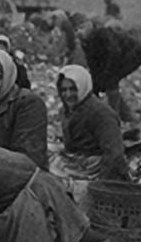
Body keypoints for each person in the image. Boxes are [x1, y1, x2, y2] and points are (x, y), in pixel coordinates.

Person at [50, 65, 128, 208]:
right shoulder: (66, 111)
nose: (68, 95)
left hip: (96, 169)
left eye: (73, 89)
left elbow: (114, 154)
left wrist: (101, 185)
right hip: (76, 163)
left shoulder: (101, 114)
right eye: (64, 90)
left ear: (83, 87)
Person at [81, 24, 141, 133]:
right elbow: (93, 63)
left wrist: (107, 74)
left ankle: (113, 120)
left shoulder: (101, 33)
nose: (79, 32)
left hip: (133, 53)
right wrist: (96, 82)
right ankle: (128, 116)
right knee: (107, 83)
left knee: (111, 84)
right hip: (119, 57)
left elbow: (114, 52)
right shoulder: (86, 42)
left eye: (81, 28)